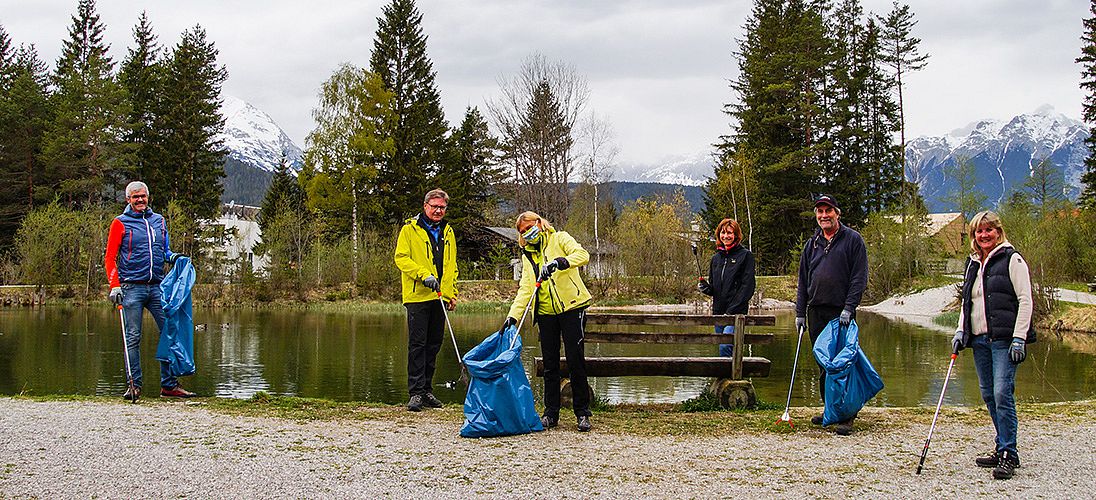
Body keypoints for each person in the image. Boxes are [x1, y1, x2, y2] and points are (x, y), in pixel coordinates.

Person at [952, 210, 1033, 480]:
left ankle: (1009, 452)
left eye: (989, 230)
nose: (984, 235)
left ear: (998, 232)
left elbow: (1025, 300)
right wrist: (961, 330)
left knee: (1001, 393)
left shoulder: (1012, 259)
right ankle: (1002, 446)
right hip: (979, 340)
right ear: (974, 235)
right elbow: (967, 302)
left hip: (1004, 340)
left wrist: (1019, 337)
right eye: (979, 231)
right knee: (988, 394)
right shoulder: (973, 263)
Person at [501, 211, 593, 432]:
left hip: (572, 307)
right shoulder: (528, 255)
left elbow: (582, 255)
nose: (527, 233)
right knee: (550, 364)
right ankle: (551, 413)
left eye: (529, 227)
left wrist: (560, 262)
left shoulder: (560, 238)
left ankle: (582, 412)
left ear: (539, 223)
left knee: (575, 360)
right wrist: (513, 316)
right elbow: (526, 288)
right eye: (523, 231)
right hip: (545, 312)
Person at [104, 181, 193, 400]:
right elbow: (110, 258)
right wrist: (114, 285)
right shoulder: (120, 223)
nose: (140, 200)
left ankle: (169, 385)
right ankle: (134, 385)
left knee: (170, 332)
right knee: (133, 337)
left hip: (157, 288)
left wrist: (175, 257)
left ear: (148, 197)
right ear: (128, 200)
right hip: (130, 288)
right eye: (135, 197)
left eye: (142, 196)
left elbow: (164, 251)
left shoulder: (159, 221)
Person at [794, 194, 868, 436]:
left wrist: (849, 307)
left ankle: (846, 415)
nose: (824, 215)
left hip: (841, 313)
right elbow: (803, 280)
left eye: (828, 211)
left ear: (837, 213)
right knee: (823, 364)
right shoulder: (812, 244)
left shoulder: (853, 240)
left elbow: (859, 278)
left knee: (842, 364)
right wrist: (800, 312)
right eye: (820, 211)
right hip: (816, 311)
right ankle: (831, 409)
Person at [394, 189, 458, 412]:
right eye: (434, 206)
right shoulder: (409, 229)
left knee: (434, 345)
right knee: (417, 345)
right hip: (418, 296)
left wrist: (451, 293)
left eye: (442, 207)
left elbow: (452, 266)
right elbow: (401, 258)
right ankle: (415, 393)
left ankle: (427, 390)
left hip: (440, 297)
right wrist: (423, 275)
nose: (438, 210)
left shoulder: (448, 231)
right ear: (425, 206)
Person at [697, 218, 756, 356]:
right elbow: (715, 289)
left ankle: (730, 370)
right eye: (723, 233)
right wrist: (706, 288)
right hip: (718, 312)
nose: (726, 236)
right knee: (724, 347)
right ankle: (728, 370)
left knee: (725, 346)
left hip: (736, 313)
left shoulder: (745, 256)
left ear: (736, 235)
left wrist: (732, 310)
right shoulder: (716, 258)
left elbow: (747, 287)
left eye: (729, 233)